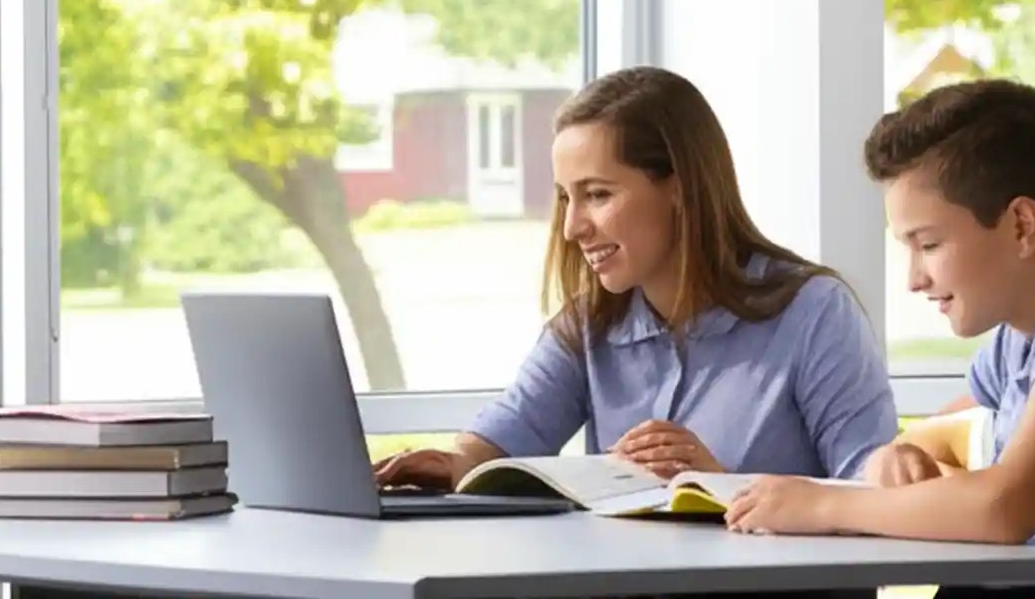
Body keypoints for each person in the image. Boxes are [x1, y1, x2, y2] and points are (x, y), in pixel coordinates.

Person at [375, 65, 895, 506]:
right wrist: (447, 464)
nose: (572, 227)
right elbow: (501, 441)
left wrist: (720, 489)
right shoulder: (588, 327)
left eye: (597, 195)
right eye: (565, 199)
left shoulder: (814, 313)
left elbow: (873, 499)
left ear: (680, 188)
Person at [725, 78, 1035, 597]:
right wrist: (895, 457)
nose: (913, 279)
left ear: (1021, 226)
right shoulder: (1023, 334)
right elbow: (928, 435)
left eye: (929, 244)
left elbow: (1005, 507)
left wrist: (820, 505)